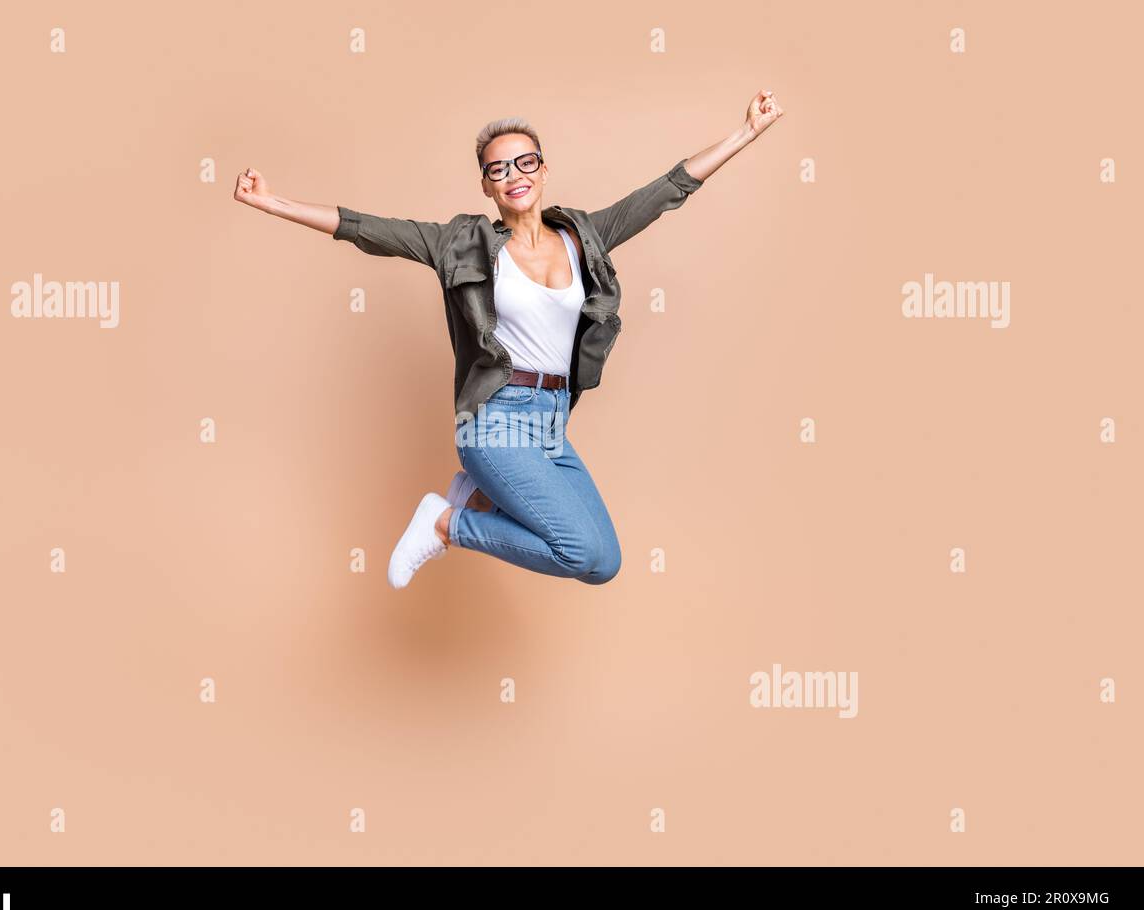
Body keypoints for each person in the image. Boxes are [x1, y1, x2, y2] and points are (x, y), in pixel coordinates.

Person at [235, 91, 784, 588]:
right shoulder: (461, 243)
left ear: (543, 169)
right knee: (576, 548)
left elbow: (668, 190)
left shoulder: (583, 236)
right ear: (485, 184)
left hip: (551, 424)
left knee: (602, 562)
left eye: (525, 161)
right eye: (497, 168)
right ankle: (446, 522)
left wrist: (746, 133)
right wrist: (271, 203)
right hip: (493, 421)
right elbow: (364, 228)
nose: (513, 174)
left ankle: (464, 506)